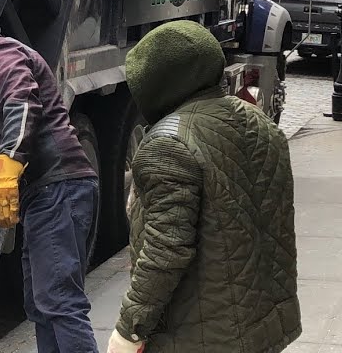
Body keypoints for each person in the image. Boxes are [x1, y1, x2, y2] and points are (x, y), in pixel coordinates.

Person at [106, 20, 299, 353]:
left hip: (203, 336)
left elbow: (165, 250)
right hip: (263, 323)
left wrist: (129, 330)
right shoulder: (257, 120)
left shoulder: (167, 144)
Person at [0, 3, 99, 353]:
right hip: (47, 192)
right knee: (41, 303)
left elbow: (22, 105)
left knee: (59, 301)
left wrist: (6, 169)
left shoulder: (0, 56)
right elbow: (10, 122)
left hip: (58, 186)